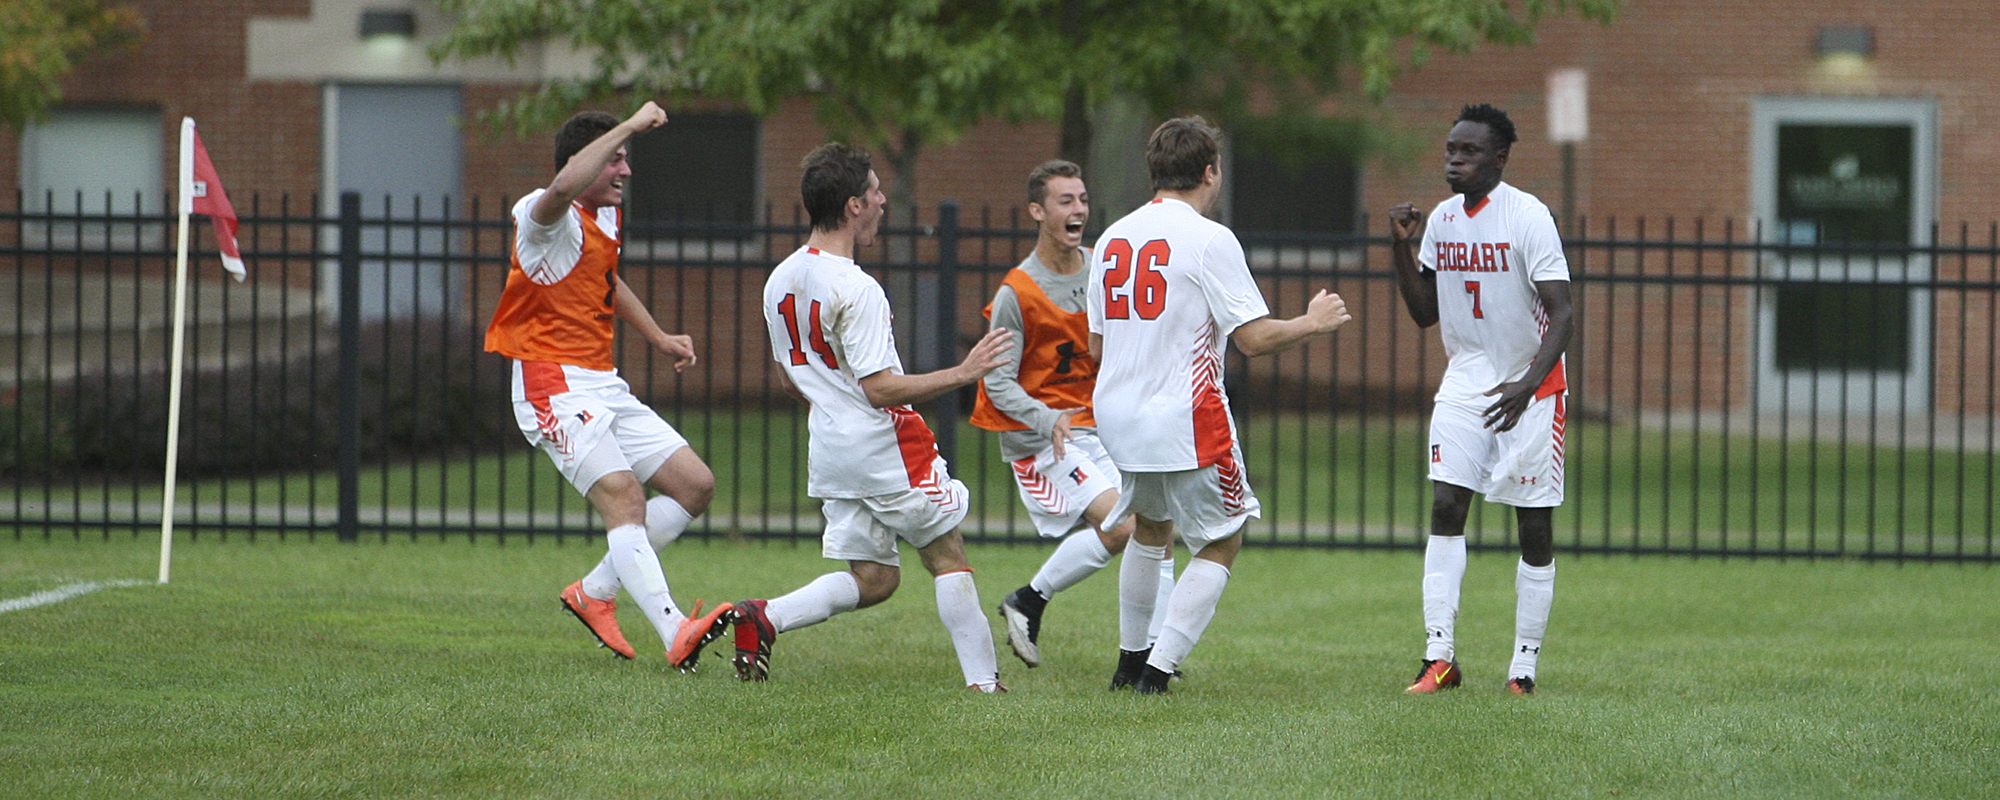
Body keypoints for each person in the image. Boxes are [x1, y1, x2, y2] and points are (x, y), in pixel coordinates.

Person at [735, 142, 1014, 692]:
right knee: (946, 552)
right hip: (884, 446)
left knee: (877, 577)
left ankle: (765, 617)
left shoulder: (780, 279)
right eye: (874, 191)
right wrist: (964, 372)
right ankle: (985, 686)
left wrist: (835, 412)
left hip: (833, 450)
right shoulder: (856, 288)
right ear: (852, 206)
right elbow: (881, 389)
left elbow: (790, 378)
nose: (883, 199)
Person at [1087, 117, 1351, 694]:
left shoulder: (1112, 238)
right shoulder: (1209, 237)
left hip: (1117, 411)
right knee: (1223, 538)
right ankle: (1156, 674)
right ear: (1210, 172)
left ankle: (1129, 664)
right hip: (1185, 414)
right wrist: (1311, 322)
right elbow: (1252, 340)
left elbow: (1097, 344)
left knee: (1151, 529)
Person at [484, 102, 734, 672]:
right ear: (586, 159)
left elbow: (604, 279)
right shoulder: (543, 214)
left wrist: (657, 335)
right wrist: (628, 125)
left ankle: (594, 592)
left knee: (695, 485)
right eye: (616, 160)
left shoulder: (606, 217)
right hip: (552, 384)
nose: (626, 171)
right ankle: (676, 632)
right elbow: (562, 184)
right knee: (626, 497)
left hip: (600, 382)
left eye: (627, 159)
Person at [1388, 103, 1574, 696]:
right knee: (1446, 507)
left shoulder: (1529, 216)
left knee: (1533, 528)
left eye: (1468, 152)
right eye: (1450, 151)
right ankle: (1439, 657)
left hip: (1530, 383)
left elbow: (1564, 312)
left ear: (1499, 158)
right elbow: (1423, 313)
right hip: (1467, 381)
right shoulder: (1442, 220)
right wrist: (1401, 246)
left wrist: (1525, 385)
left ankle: (1523, 668)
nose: (1455, 161)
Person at [976, 160, 1176, 669]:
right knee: (1131, 527)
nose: (1079, 209)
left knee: (1153, 525)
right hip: (1046, 442)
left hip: (1103, 427)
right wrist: (1048, 419)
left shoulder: (1102, 268)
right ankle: (1150, 654)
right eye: (1066, 201)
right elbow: (996, 381)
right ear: (1037, 211)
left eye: (1083, 199)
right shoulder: (1015, 293)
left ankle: (1035, 603)